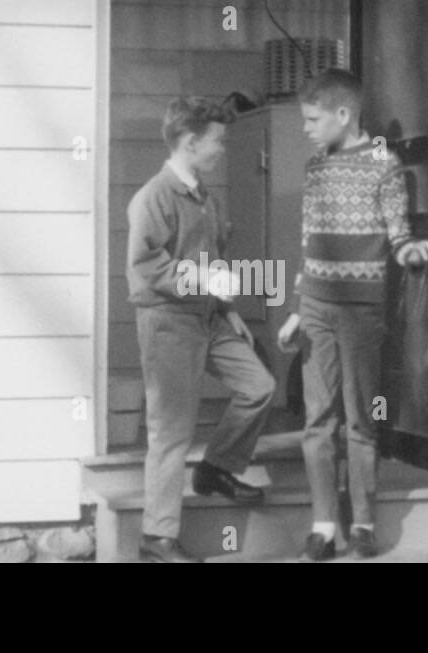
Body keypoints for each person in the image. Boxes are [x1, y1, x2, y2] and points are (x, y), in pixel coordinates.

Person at [277, 69, 428, 561]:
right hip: (316, 310)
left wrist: (416, 252)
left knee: (361, 419)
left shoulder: (382, 163)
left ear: (343, 115)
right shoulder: (314, 167)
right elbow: (309, 244)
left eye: (313, 119)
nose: (306, 128)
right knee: (317, 419)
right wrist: (294, 310)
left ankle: (365, 523)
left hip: (361, 313)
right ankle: (325, 526)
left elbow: (399, 239)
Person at [127, 96, 276, 563]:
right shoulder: (154, 196)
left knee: (259, 386)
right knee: (171, 431)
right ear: (190, 142)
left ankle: (215, 469)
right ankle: (158, 537)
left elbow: (211, 259)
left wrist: (226, 308)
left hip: (208, 317)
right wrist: (203, 280)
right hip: (168, 324)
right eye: (218, 141)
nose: (222, 149)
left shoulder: (203, 196)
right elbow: (147, 267)